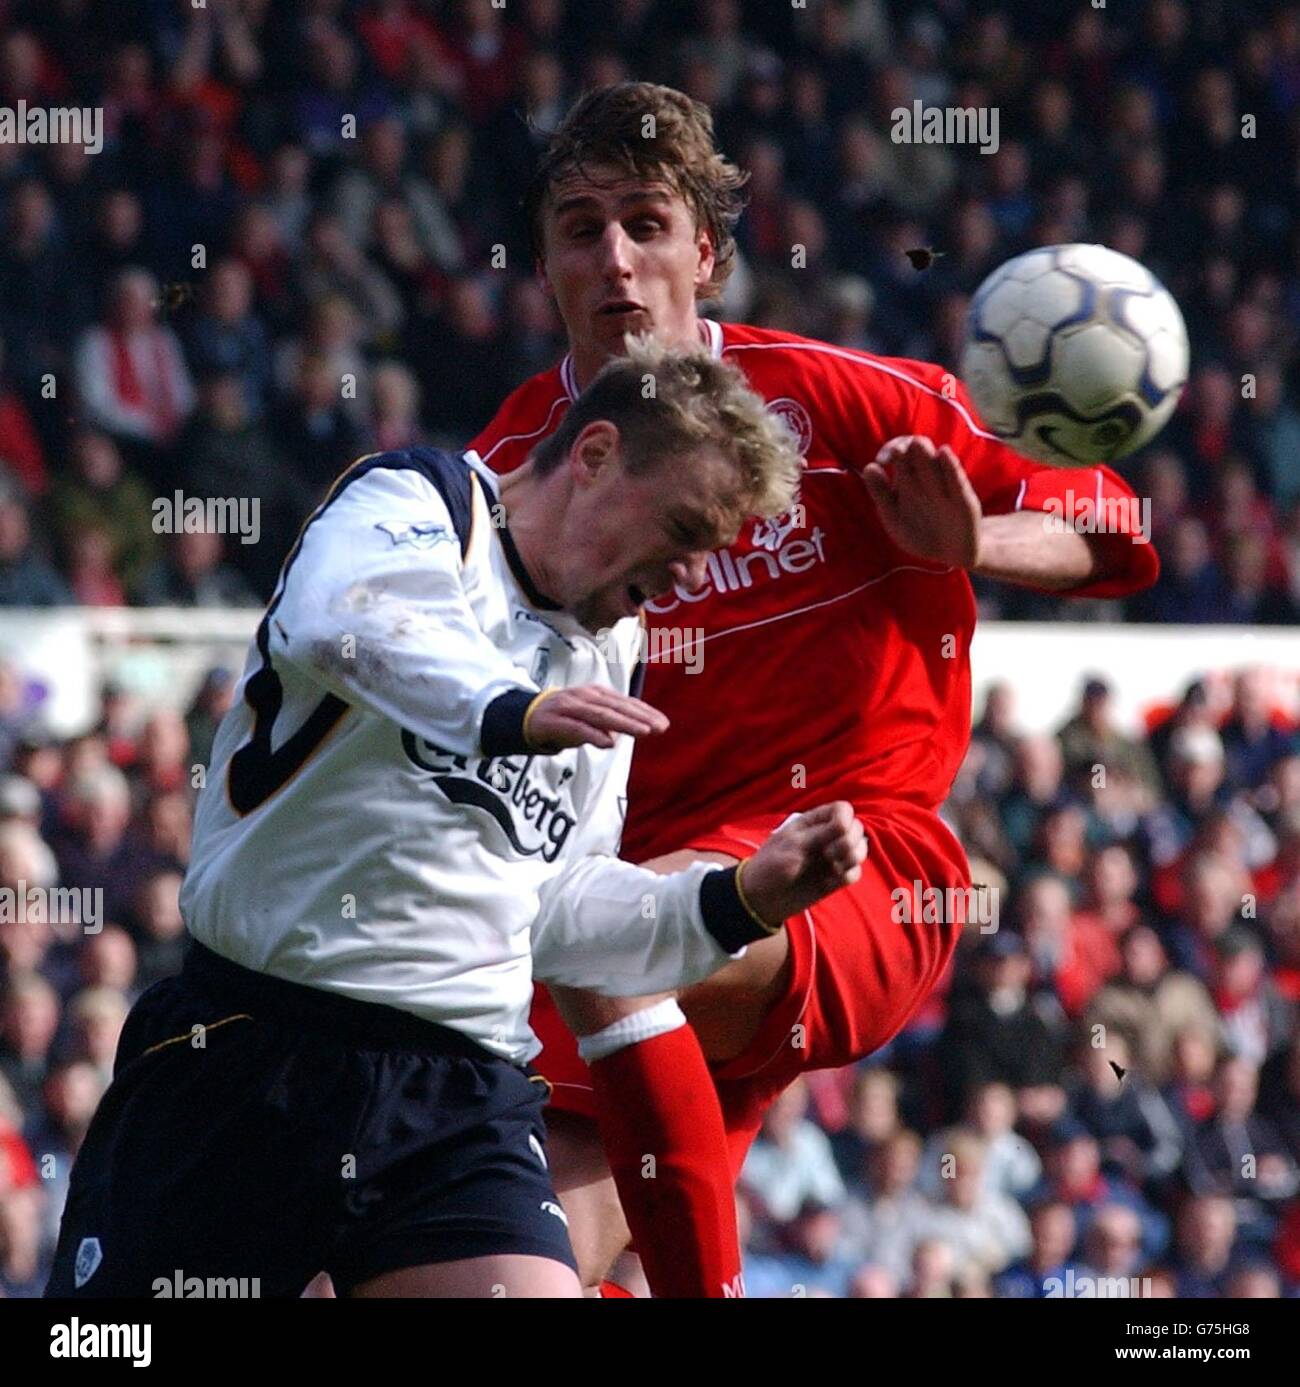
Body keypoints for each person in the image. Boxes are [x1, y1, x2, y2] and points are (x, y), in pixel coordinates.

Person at [469, 81, 1159, 1298]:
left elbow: (1110, 516)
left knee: (627, 939)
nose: (616, 260)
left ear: (710, 255)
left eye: (646, 224)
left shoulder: (842, 401)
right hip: (604, 917)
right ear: (543, 265)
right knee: (512, 1264)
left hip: (858, 867)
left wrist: (972, 547)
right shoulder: (501, 477)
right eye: (581, 229)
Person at [44, 337, 865, 1300]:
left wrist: (733, 901)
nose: (690, 577)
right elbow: (350, 624)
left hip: (457, 1092)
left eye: (709, 551)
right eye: (684, 528)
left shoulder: (612, 650)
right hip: (249, 1047)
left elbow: (555, 907)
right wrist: (510, 712)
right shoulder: (415, 502)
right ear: (594, 454)